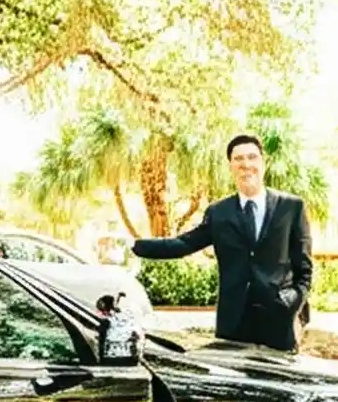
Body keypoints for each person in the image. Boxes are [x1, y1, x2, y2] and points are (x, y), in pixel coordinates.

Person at [131, 134, 314, 352]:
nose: (246, 164)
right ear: (231, 166)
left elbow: (305, 270)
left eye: (252, 157)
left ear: (263, 162)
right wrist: (134, 245)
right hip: (233, 322)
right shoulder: (219, 212)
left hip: (279, 321)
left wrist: (292, 301)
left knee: (280, 374)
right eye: (238, 159)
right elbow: (183, 244)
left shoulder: (291, 207)